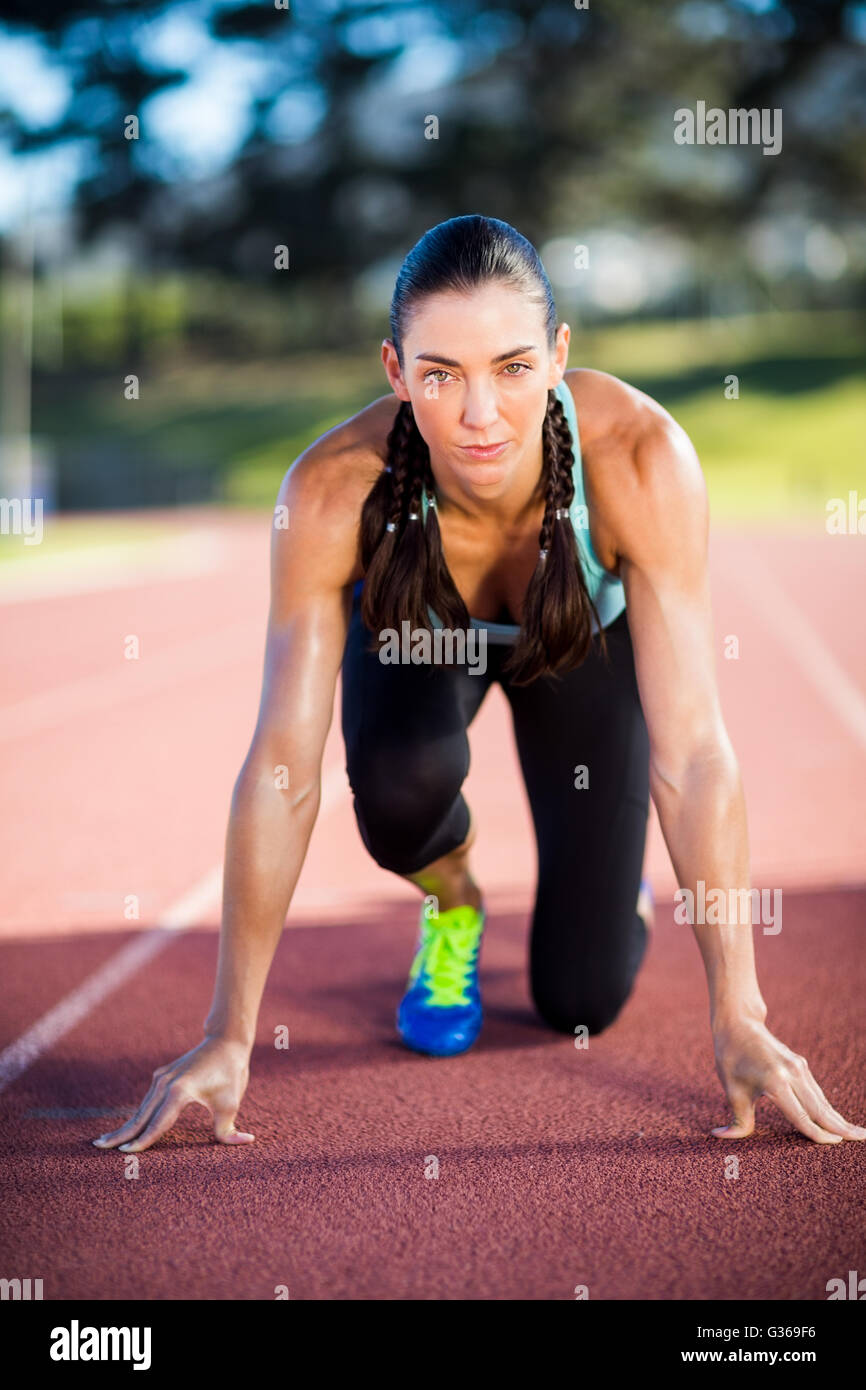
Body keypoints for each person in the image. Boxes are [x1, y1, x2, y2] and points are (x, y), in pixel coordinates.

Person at [93, 215, 865, 1153]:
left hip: (584, 645)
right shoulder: (333, 491)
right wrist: (228, 1033)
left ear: (557, 354)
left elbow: (695, 750)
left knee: (578, 997)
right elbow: (283, 769)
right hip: (423, 638)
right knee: (398, 781)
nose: (479, 416)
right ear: (394, 371)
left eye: (510, 366)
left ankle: (612, 888)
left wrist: (739, 1013)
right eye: (440, 374)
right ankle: (453, 903)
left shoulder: (643, 460)